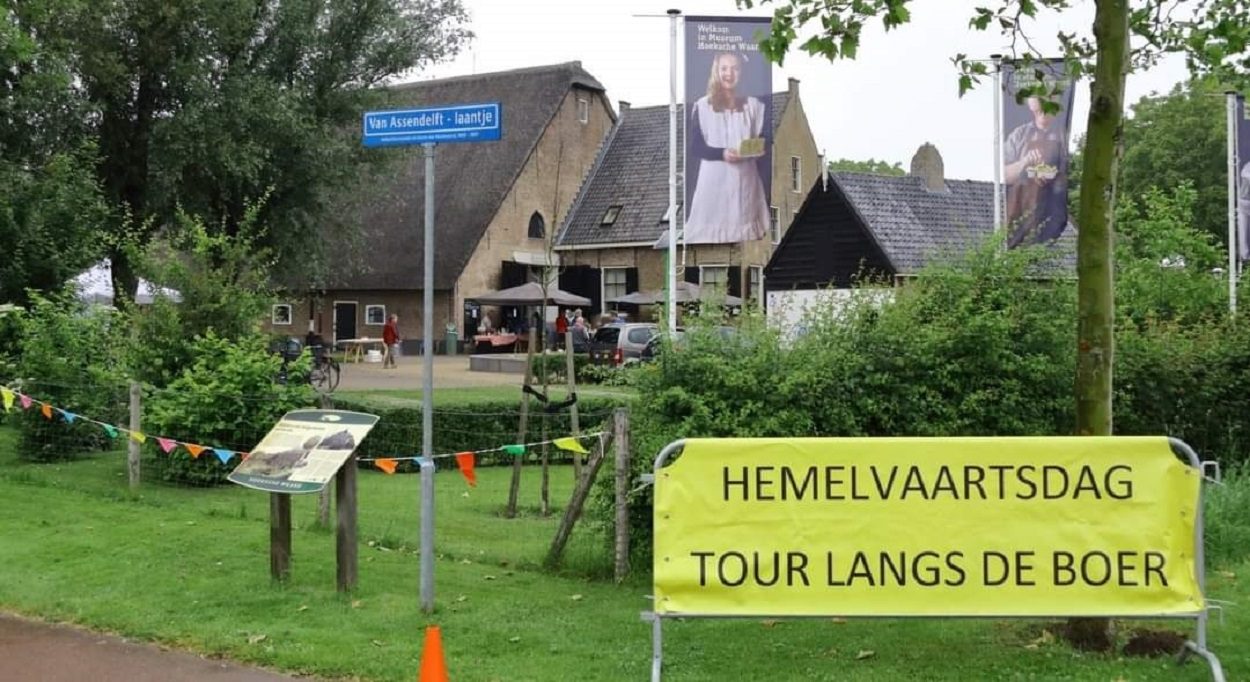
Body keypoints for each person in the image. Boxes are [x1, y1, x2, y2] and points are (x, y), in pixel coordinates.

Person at [685, 51, 771, 244]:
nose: (729, 74)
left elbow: (765, 138)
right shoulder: (702, 106)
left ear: (742, 72)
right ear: (717, 71)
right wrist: (722, 153)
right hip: (713, 182)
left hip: (745, 180)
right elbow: (696, 147)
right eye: (724, 68)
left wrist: (751, 150)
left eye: (735, 68)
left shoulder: (754, 106)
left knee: (745, 234)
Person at [1004, 95, 1070, 248]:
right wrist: (1024, 163)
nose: (1043, 112)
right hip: (1021, 213)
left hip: (1052, 214)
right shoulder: (1019, 135)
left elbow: (1072, 174)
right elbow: (1004, 175)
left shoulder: (1064, 135)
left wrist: (1054, 177)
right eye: (1039, 108)